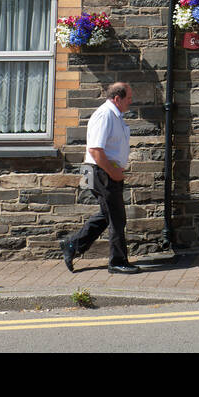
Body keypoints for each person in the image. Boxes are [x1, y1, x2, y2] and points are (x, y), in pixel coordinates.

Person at [61, 82, 141, 274]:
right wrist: (112, 172)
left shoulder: (115, 116)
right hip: (99, 171)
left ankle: (72, 244)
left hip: (102, 171)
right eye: (128, 98)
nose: (131, 101)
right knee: (116, 217)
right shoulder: (105, 115)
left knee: (108, 214)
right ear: (117, 98)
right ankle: (117, 261)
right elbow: (96, 150)